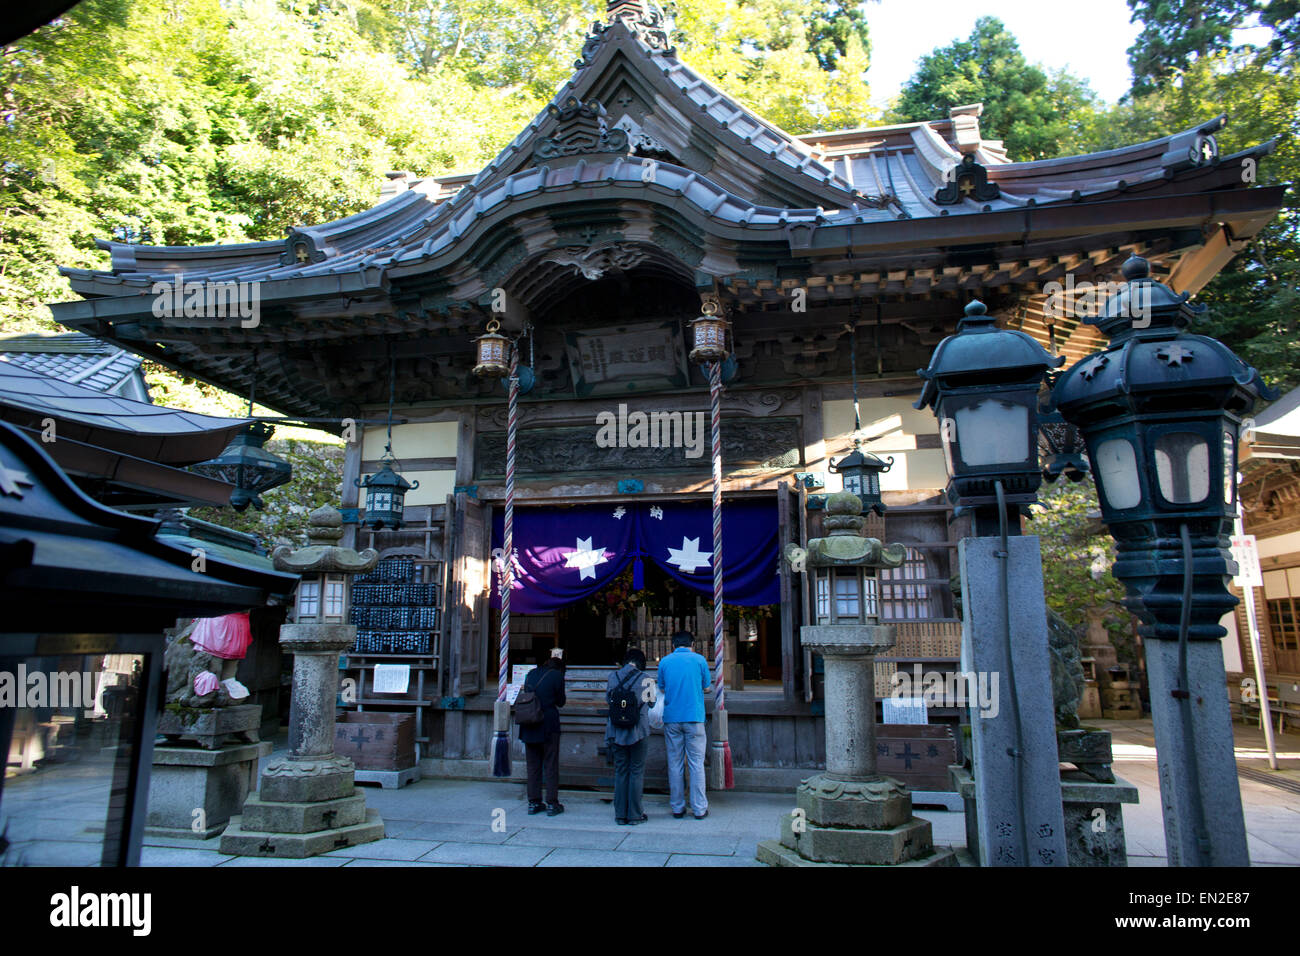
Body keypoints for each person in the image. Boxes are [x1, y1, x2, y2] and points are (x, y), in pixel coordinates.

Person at [657, 630, 712, 819]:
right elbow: (707, 687)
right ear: (692, 644)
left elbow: (661, 687)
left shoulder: (664, 662)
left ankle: (677, 806)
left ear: (673, 645)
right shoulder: (699, 660)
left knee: (675, 763)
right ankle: (699, 807)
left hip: (672, 717)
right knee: (696, 763)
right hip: (694, 717)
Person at [605, 648, 651, 825]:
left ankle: (620, 815)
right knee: (637, 771)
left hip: (616, 730)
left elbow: (608, 699)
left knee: (621, 770)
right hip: (638, 730)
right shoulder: (646, 679)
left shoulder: (612, 677)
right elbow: (652, 702)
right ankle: (635, 814)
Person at [520, 647, 566, 816]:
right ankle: (552, 803)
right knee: (550, 764)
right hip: (548, 723)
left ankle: (533, 802)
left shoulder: (531, 674)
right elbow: (561, 701)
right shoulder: (557, 676)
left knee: (532, 765)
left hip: (529, 721)